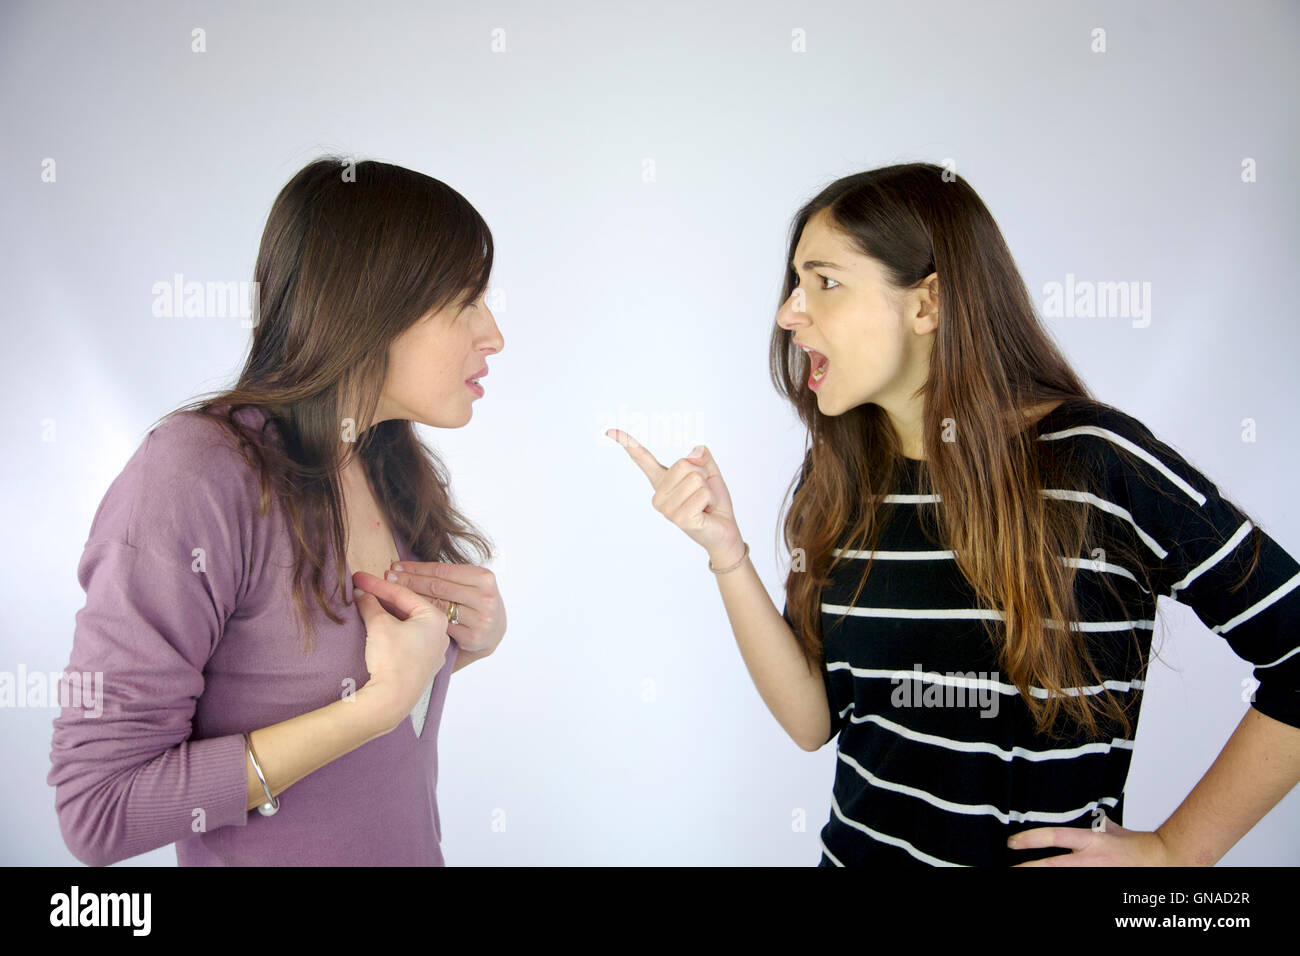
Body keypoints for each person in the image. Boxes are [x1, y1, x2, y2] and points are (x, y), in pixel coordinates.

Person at [610, 162, 1300, 866]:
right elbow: (813, 721)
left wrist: (1173, 854)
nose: (790, 312)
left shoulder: (1097, 463)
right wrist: (727, 554)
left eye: (824, 282)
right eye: (794, 285)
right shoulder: (844, 476)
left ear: (926, 305)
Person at [48, 157, 506, 865]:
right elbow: (99, 810)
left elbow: (308, 687)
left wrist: (463, 642)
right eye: (464, 300)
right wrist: (372, 711)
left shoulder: (385, 460)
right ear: (367, 304)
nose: (494, 334)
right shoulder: (196, 475)